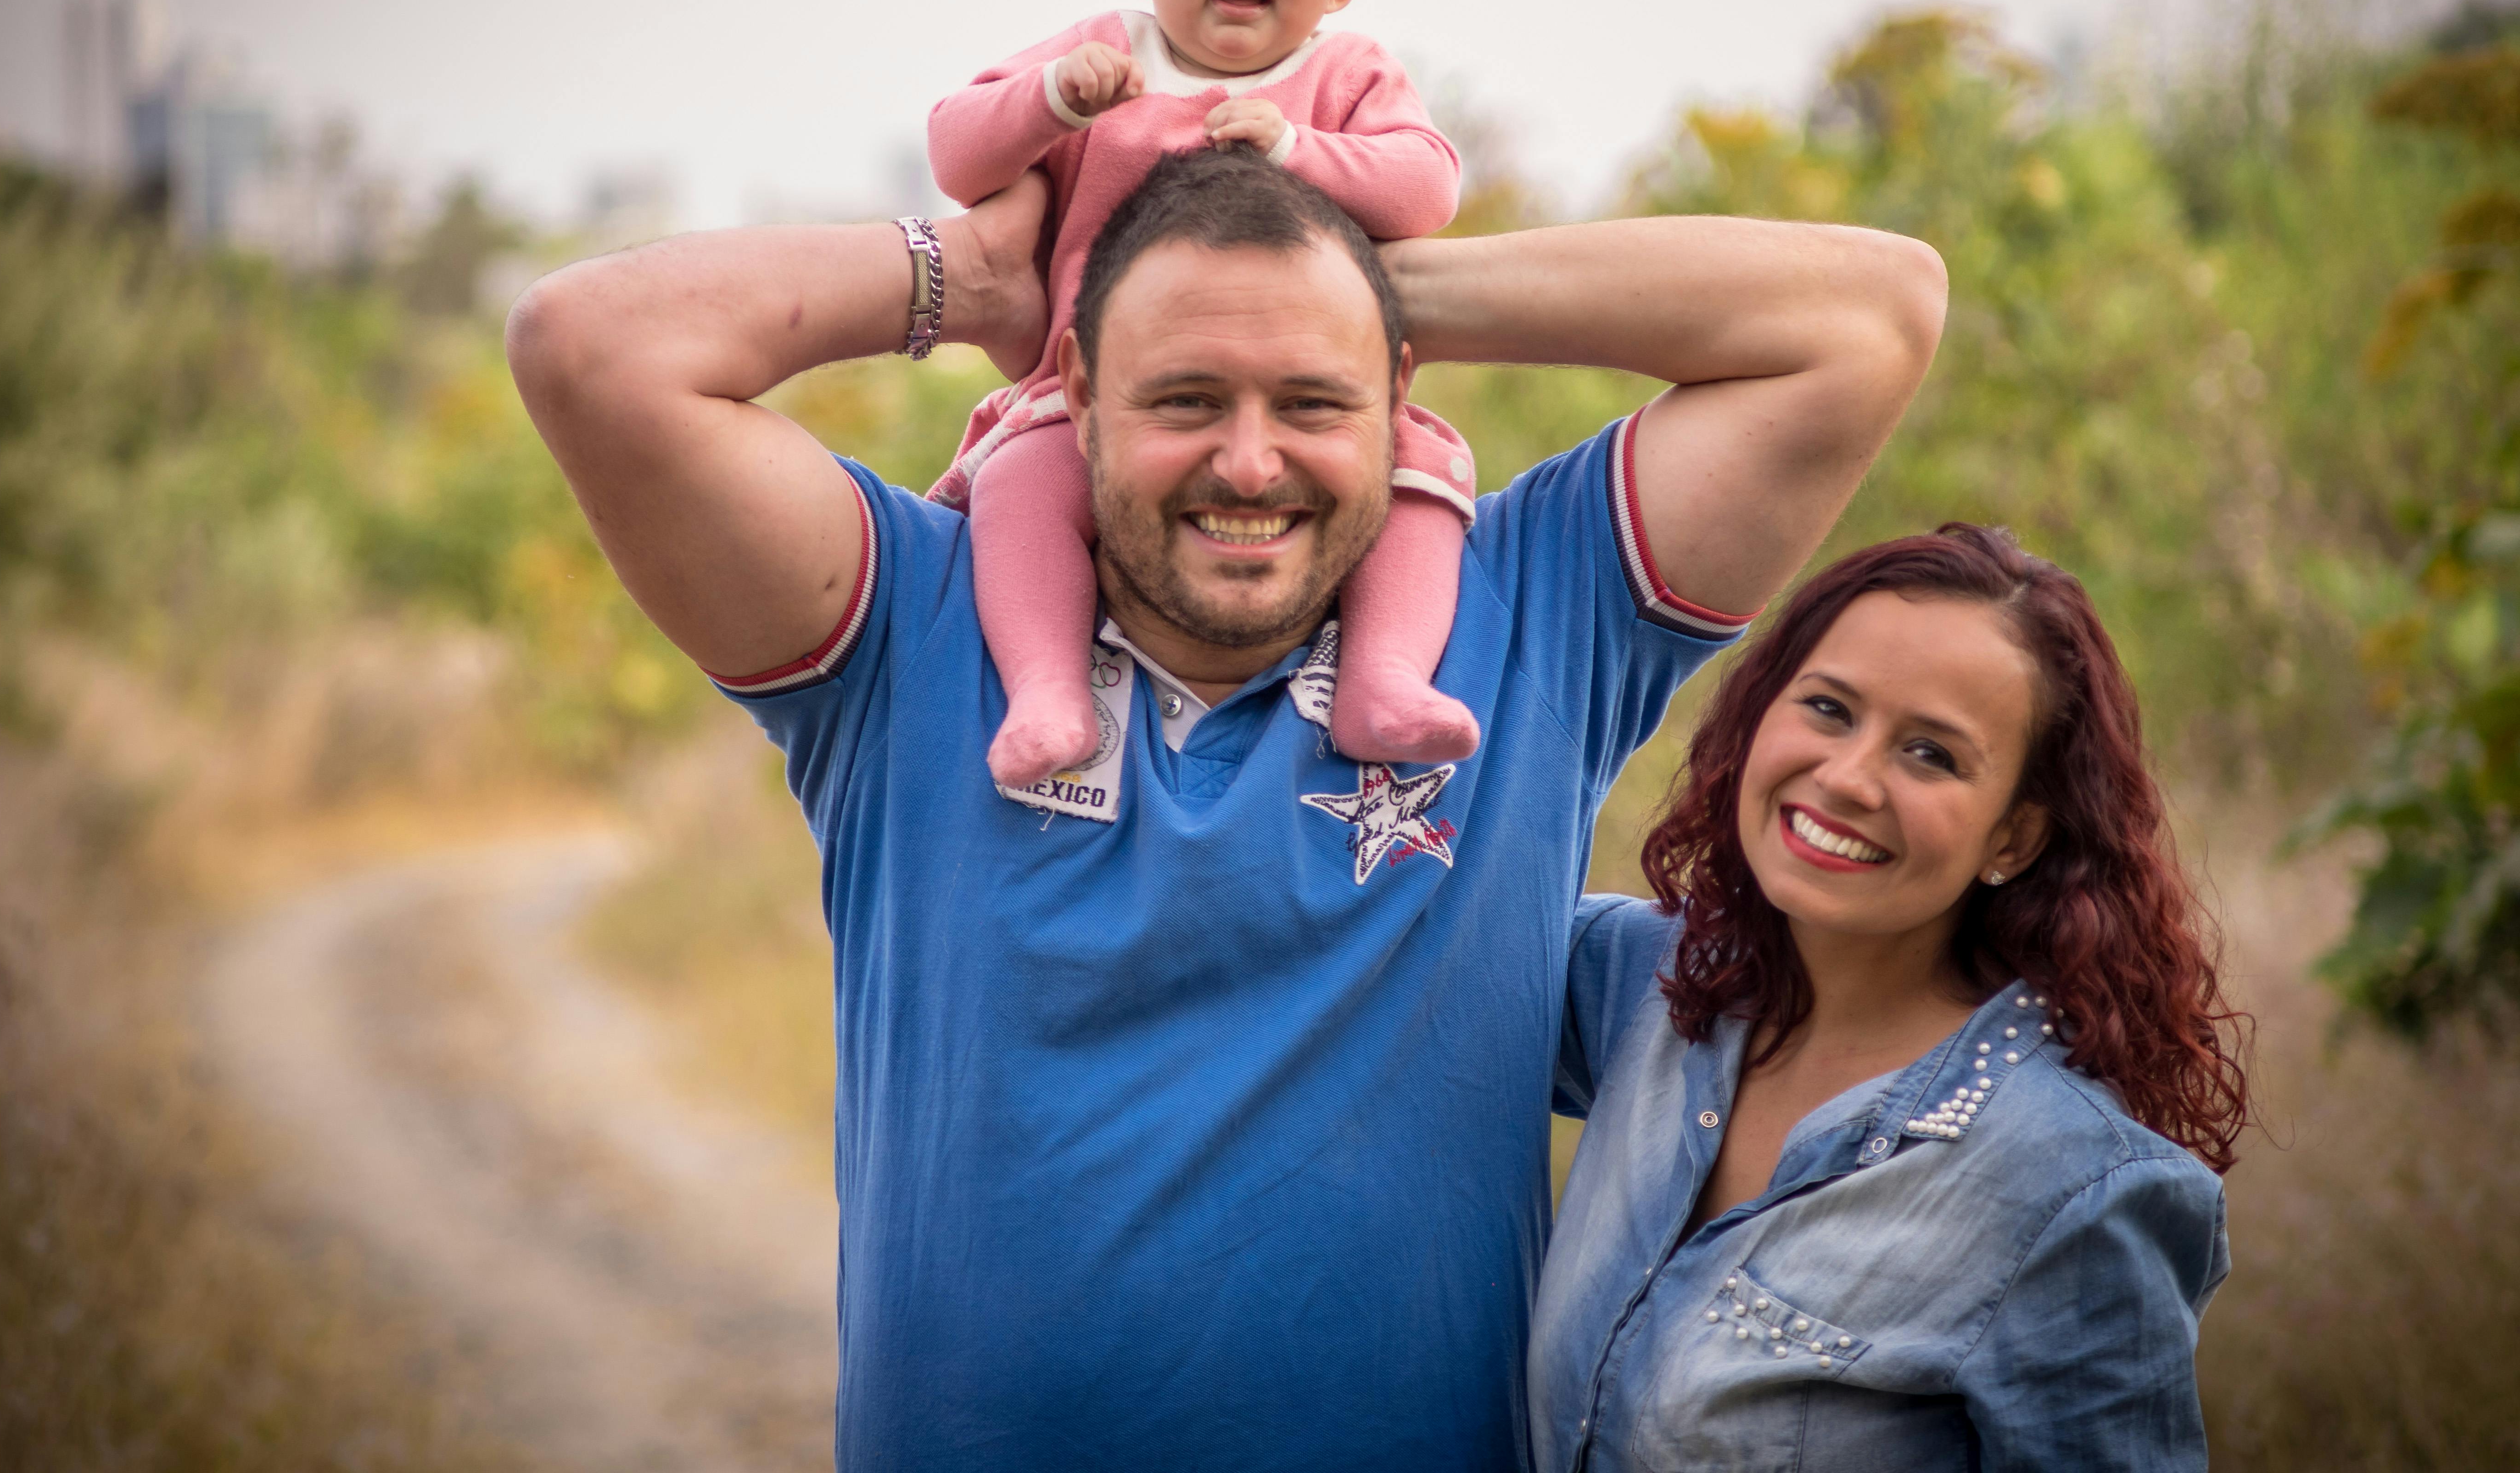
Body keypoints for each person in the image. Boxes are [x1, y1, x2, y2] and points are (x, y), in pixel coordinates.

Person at [503, 142, 1945, 1471]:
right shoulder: (909, 629)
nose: (1249, 464)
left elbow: (1873, 315)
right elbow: (592, 345)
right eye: (1187, 398)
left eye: (1314, 402)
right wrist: (975, 275)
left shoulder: (1529, 611)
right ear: (1079, 392)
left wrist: (1380, 287)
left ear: (1397, 400)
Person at [1531, 526, 2248, 1473]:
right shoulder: (1642, 982)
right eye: (1828, 708)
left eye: (1930, 754)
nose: (1847, 777)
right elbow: (1394, 939)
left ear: (2015, 838)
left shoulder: (2074, 1187)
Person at [927, 0, 1472, 789]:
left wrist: (1301, 148)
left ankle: (1386, 680)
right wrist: (1051, 102)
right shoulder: (1108, 54)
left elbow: (1428, 184)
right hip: (1098, 398)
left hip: (1311, 400)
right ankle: (1047, 692)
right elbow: (956, 153)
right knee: (1020, 487)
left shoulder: (1343, 73)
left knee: (1422, 487)